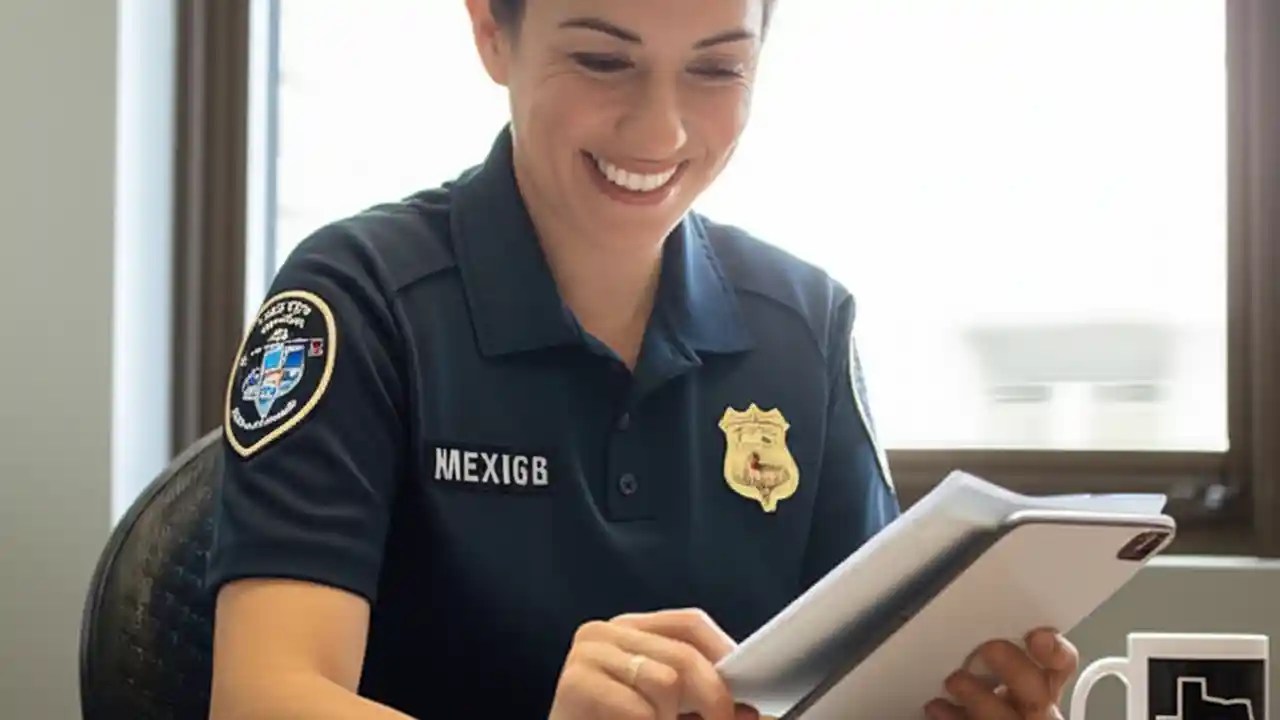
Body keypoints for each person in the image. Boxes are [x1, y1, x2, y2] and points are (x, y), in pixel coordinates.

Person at [205, 1, 1079, 718]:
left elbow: (860, 680)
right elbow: (262, 699)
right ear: (491, 31)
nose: (661, 129)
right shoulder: (358, 301)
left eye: (717, 69)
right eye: (602, 61)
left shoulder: (806, 326)